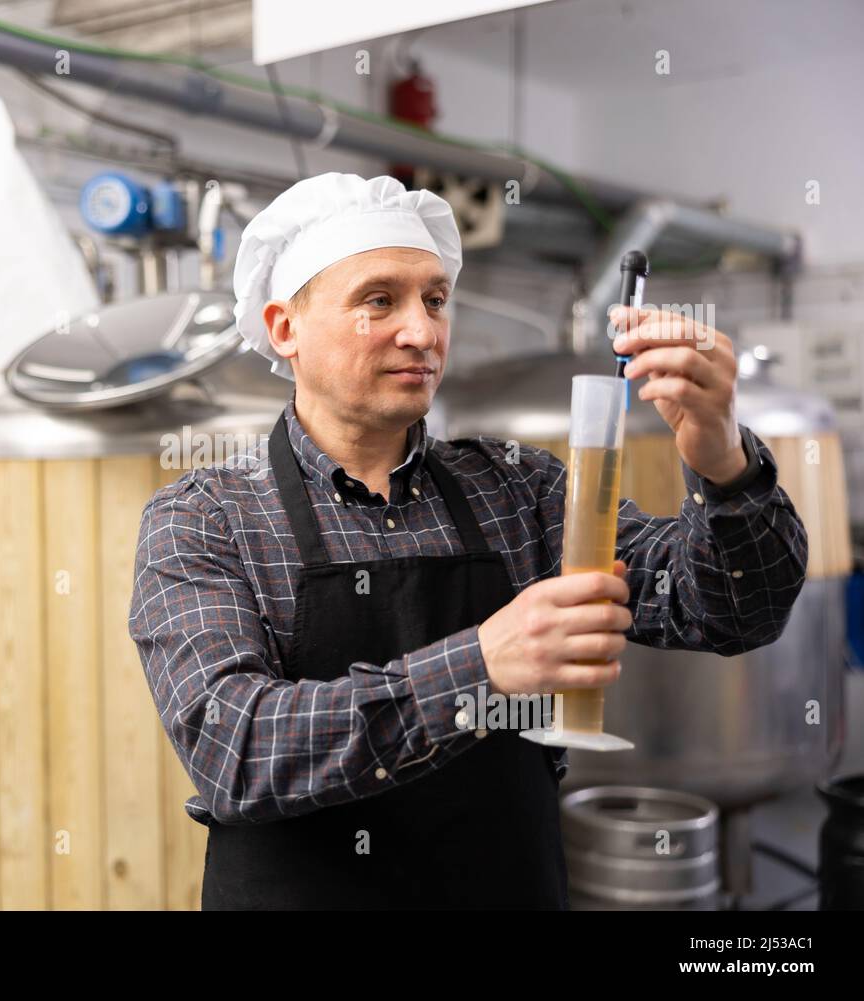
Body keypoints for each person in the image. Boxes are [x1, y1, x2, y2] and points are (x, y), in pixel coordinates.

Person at [128, 172, 808, 910]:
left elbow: (733, 610)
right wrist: (481, 668)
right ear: (285, 328)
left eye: (435, 299)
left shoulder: (518, 489)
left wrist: (723, 461)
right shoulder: (206, 518)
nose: (422, 331)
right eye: (378, 300)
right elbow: (234, 749)